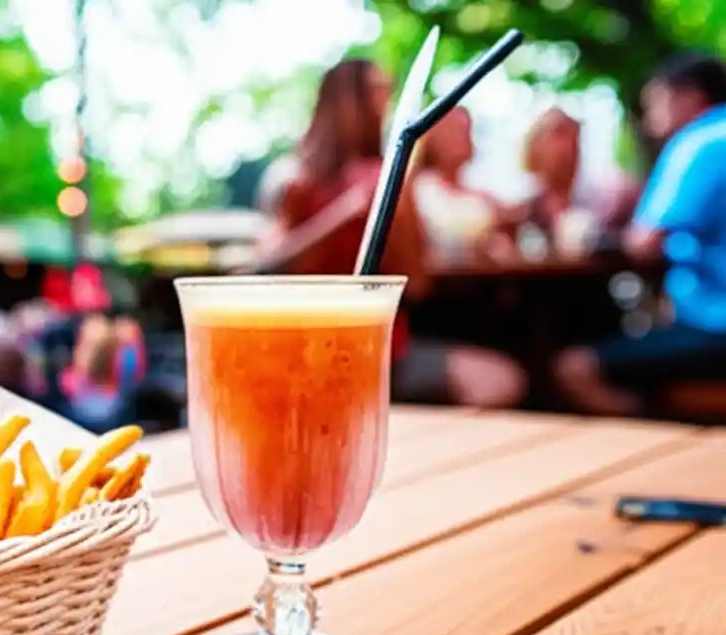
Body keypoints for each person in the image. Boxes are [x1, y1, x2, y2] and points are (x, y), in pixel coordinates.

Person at [262, 58, 526, 408]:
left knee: (498, 378)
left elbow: (416, 281)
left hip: (384, 347)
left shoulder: (382, 179)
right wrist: (344, 214)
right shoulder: (294, 179)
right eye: (377, 92)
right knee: (498, 382)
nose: (387, 103)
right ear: (346, 99)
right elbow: (265, 266)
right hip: (318, 351)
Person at [555, 55, 726, 415]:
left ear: (688, 98)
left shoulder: (698, 143)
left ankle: (658, 445)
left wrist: (590, 238)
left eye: (654, 102)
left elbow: (644, 244)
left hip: (716, 328)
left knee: (574, 367)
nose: (649, 119)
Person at [522, 108, 638, 256]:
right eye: (557, 136)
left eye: (574, 138)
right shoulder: (522, 203)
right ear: (535, 146)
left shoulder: (606, 198)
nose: (567, 148)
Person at [413, 107, 519, 264]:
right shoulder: (420, 190)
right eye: (452, 130)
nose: (461, 137)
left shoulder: (481, 186)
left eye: (465, 130)